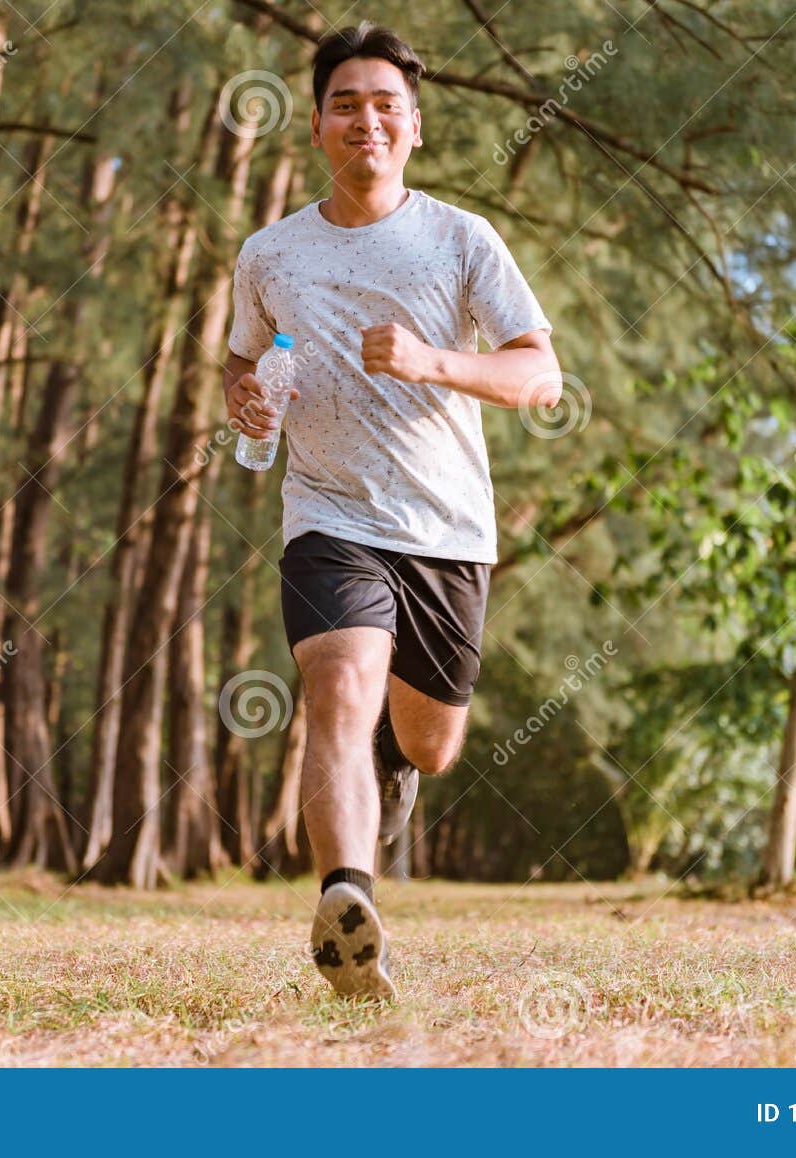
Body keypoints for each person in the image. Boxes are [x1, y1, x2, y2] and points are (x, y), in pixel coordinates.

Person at [222, 22, 561, 1000]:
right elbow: (244, 357)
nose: (365, 118)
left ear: (414, 128)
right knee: (334, 686)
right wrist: (241, 394)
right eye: (344, 103)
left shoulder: (461, 239)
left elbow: (540, 375)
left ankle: (392, 767)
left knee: (428, 743)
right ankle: (345, 903)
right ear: (317, 128)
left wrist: (432, 361)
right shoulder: (270, 251)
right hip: (327, 517)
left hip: (446, 528)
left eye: (384, 104)